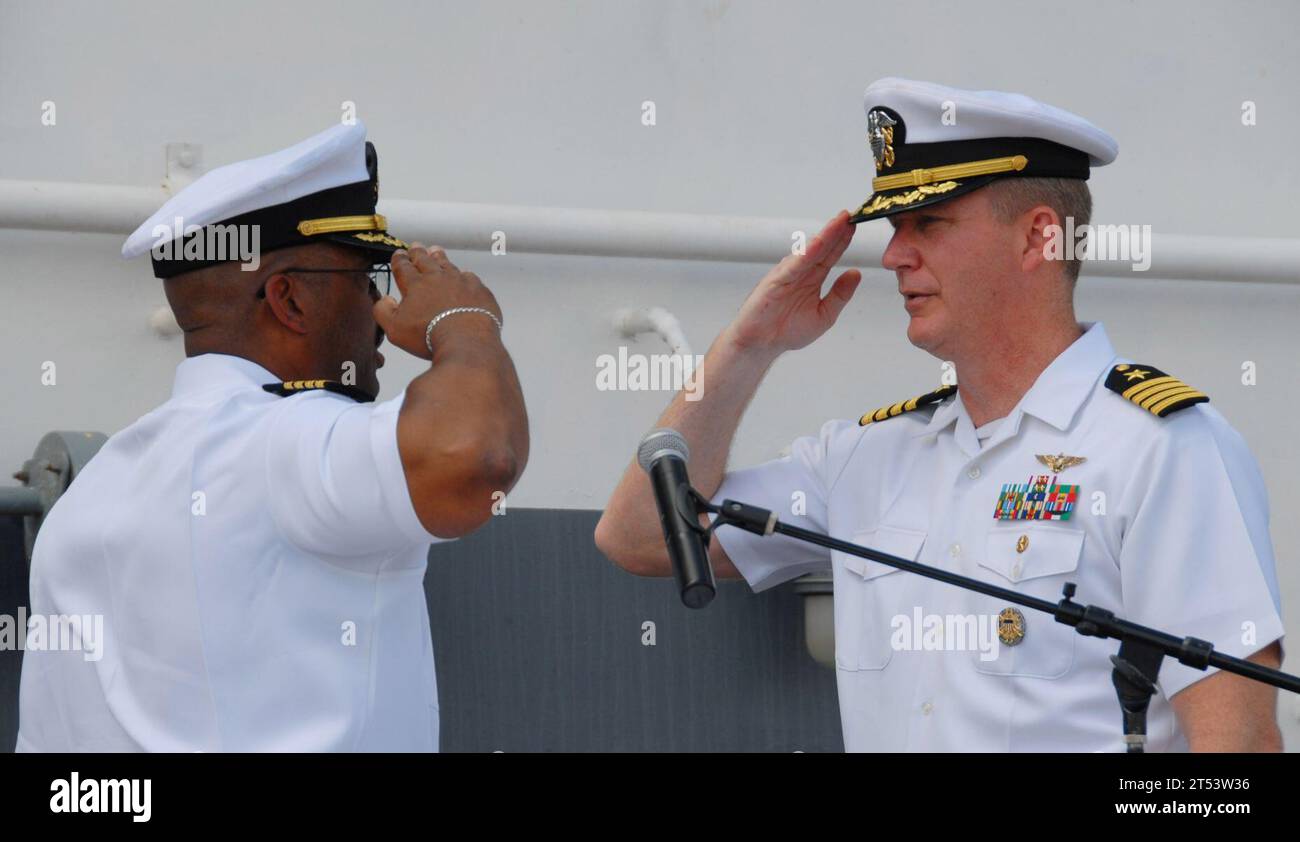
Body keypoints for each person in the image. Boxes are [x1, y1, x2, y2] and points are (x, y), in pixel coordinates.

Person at [596, 78, 1285, 752]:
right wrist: (746, 348)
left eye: (930, 221)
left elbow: (1239, 753)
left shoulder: (1161, 448)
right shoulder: (867, 457)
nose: (896, 255)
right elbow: (638, 537)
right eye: (896, 226)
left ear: (1037, 238)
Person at [18, 122, 529, 751]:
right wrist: (466, 322)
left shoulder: (93, 490)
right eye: (365, 280)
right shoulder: (287, 438)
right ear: (289, 300)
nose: (380, 313)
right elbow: (477, 459)